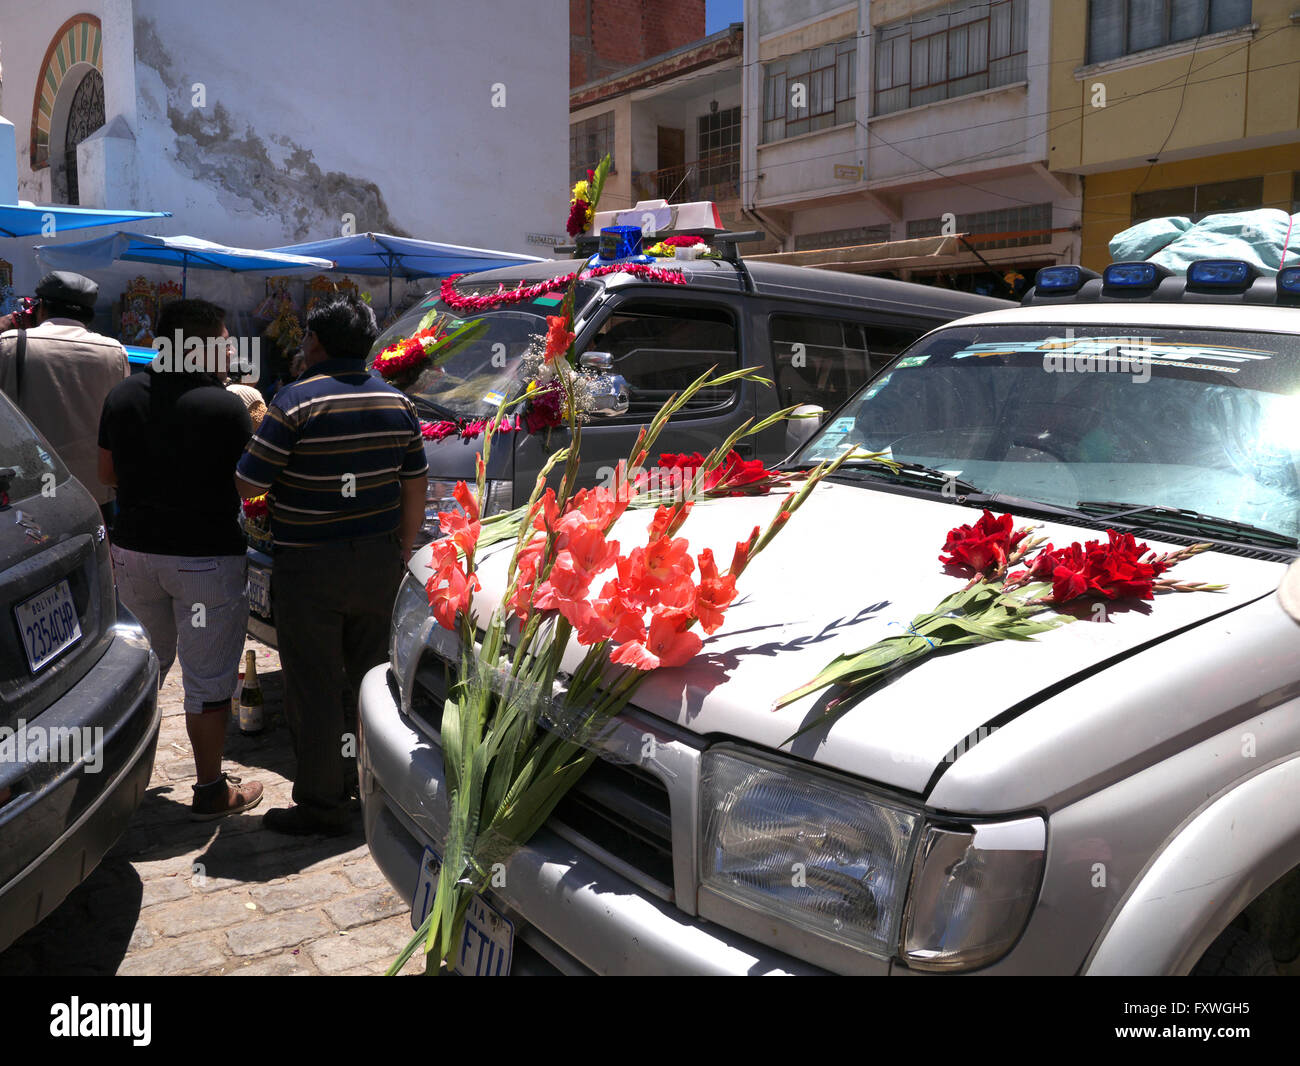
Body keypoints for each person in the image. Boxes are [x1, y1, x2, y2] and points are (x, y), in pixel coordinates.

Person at [236, 294, 427, 836]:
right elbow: (415, 485)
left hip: (309, 568)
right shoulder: (398, 404)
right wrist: (402, 546)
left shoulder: (295, 403)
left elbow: (250, 482)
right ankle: (378, 790)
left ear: (316, 342)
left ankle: (323, 804)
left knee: (314, 686)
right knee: (376, 681)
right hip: (379, 563)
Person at [98, 298, 264, 821]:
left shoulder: (123, 394)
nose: (231, 348)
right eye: (222, 338)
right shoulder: (224, 407)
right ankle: (212, 788)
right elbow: (247, 483)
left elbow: (107, 474)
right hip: (205, 560)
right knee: (209, 678)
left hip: (134, 553)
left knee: (141, 666)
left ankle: (112, 778)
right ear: (196, 345)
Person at [0, 272, 128, 525]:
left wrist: (10, 322)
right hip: (92, 490)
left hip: (26, 489)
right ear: (89, 315)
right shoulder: (114, 352)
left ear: (41, 308)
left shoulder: (9, 344)